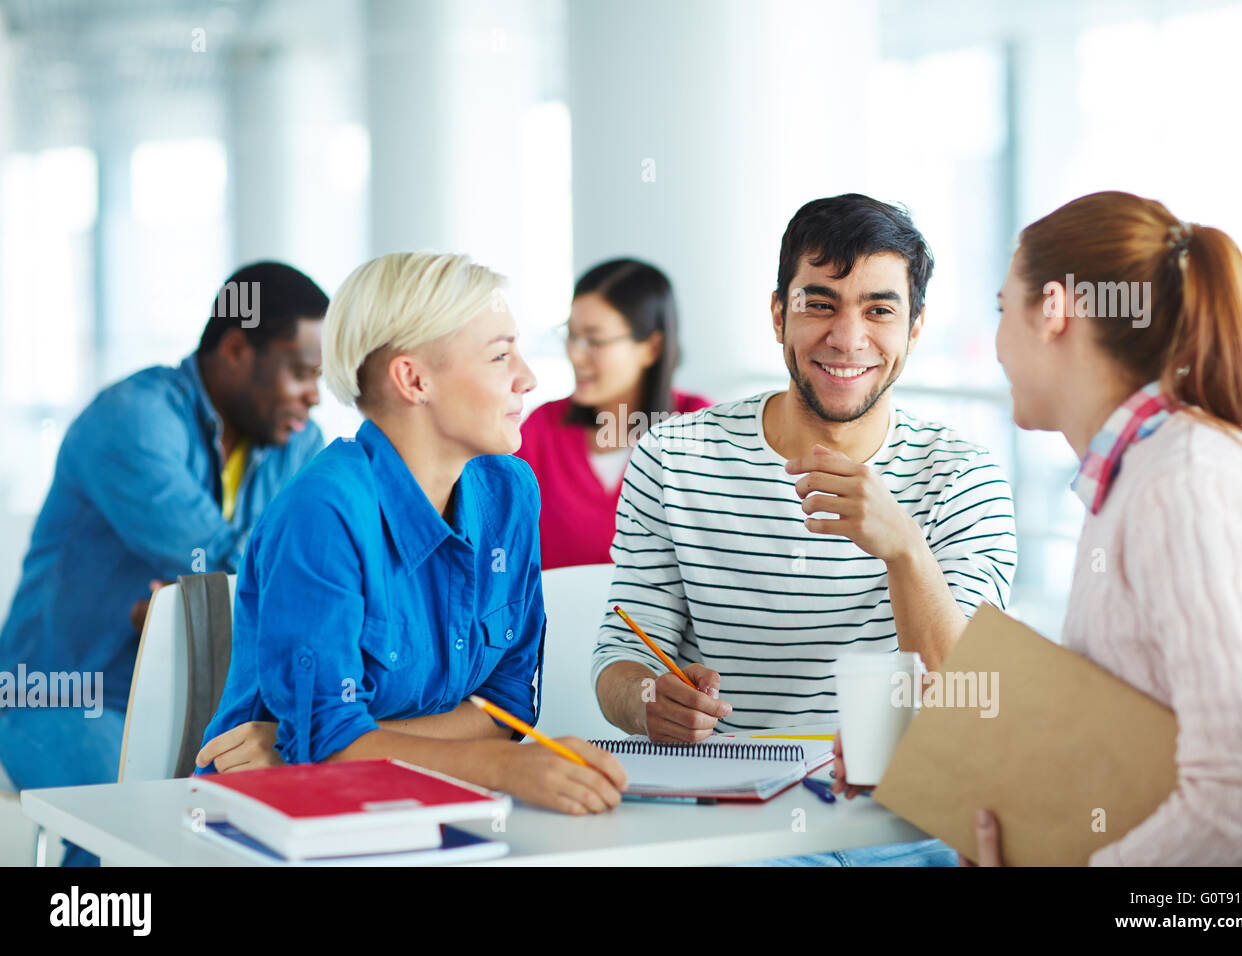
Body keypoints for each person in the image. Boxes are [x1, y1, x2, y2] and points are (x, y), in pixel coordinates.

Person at [851, 190, 1242, 866]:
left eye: (1005, 310)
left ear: (1054, 311)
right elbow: (1137, 739)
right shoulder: (1139, 476)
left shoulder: (1182, 486)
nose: (996, 346)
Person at [591, 194, 1019, 866]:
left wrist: (904, 548)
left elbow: (965, 702)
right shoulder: (673, 456)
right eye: (820, 303)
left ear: (915, 327)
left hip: (908, 829)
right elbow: (620, 656)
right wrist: (646, 699)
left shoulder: (964, 476)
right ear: (777, 313)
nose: (847, 339)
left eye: (879, 309)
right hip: (739, 831)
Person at [197, 252, 627, 816]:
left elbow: (506, 708)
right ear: (414, 378)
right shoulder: (323, 510)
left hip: (425, 811)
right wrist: (501, 767)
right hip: (271, 821)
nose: (528, 377)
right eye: (501, 355)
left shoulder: (510, 490)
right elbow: (328, 746)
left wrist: (351, 744)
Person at [0, 261, 329, 866]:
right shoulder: (133, 420)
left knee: (280, 823)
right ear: (236, 348)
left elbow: (307, 573)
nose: (314, 395)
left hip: (200, 700)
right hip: (69, 696)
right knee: (137, 831)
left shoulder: (296, 437)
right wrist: (220, 595)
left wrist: (200, 602)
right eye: (301, 372)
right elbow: (235, 571)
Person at [516, 259, 711, 570]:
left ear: (651, 348)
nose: (576, 354)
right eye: (572, 335)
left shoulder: (698, 424)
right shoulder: (542, 429)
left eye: (594, 340)